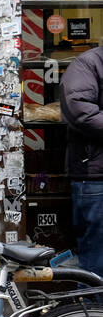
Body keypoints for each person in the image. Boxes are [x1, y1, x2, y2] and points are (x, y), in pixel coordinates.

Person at [60, 46, 103, 274]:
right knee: (97, 260)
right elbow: (81, 112)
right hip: (97, 178)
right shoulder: (88, 63)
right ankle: (92, 310)